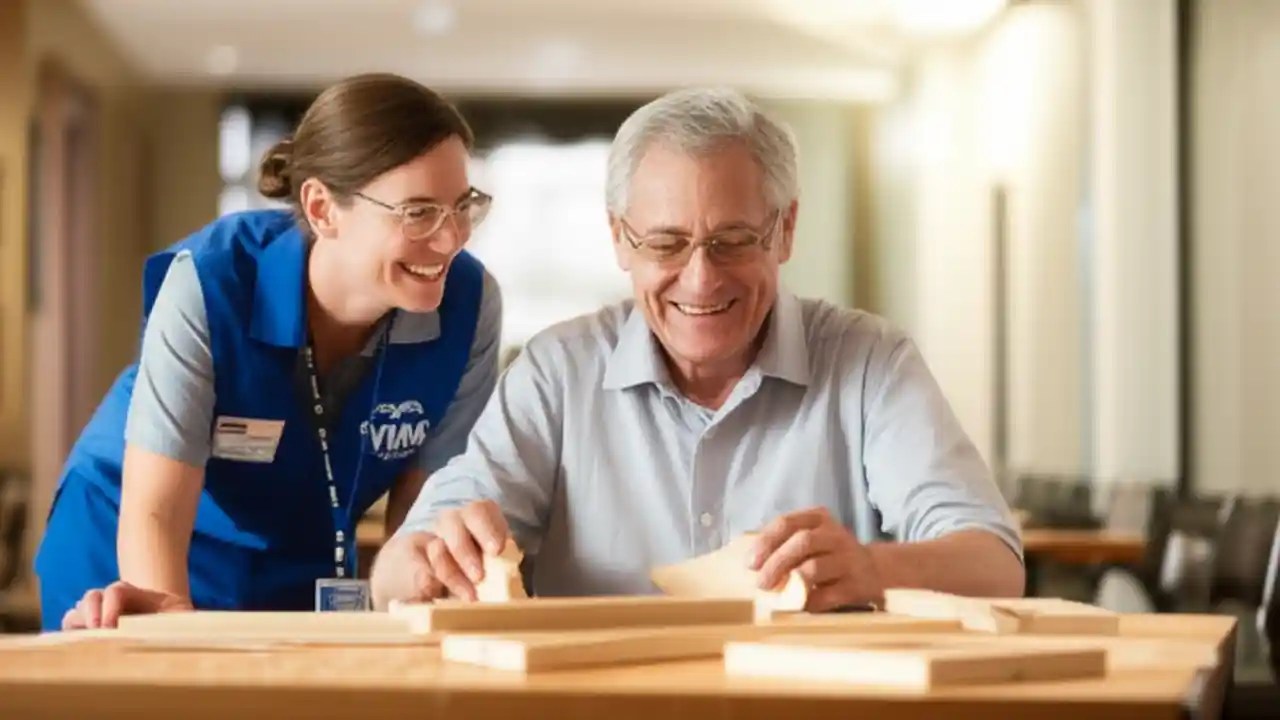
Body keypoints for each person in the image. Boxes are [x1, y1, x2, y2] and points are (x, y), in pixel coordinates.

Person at [370, 87, 1023, 611]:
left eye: (733, 240)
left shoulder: (871, 363)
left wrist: (871, 568)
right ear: (620, 240)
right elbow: (397, 573)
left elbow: (994, 564)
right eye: (665, 243)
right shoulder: (557, 372)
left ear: (785, 229)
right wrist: (431, 557)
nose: (701, 278)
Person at [36, 73, 502, 630]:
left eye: (462, 206)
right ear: (323, 209)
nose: (451, 239)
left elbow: (424, 519)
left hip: (302, 550)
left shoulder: (468, 307)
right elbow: (155, 511)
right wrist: (168, 646)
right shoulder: (211, 284)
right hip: (124, 546)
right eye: (418, 212)